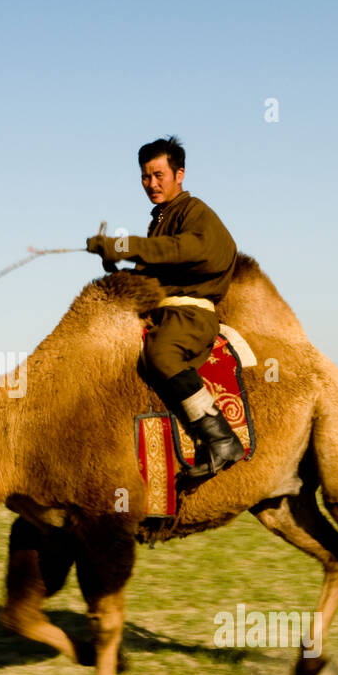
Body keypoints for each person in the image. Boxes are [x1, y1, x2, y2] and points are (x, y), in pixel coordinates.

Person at [86, 135, 245, 483]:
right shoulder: (162, 219)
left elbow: (184, 250)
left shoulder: (197, 214)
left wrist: (123, 245)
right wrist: (117, 264)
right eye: (145, 176)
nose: (151, 184)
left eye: (159, 175)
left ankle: (222, 441)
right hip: (165, 312)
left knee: (162, 355)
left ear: (180, 174)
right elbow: (157, 263)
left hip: (190, 316)